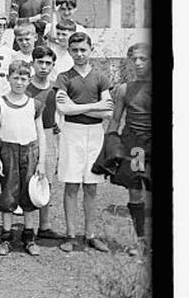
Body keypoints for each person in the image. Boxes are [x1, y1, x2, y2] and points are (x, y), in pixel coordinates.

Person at [54, 32, 112, 253]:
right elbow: (63, 109)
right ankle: (70, 234)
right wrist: (93, 106)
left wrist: (78, 107)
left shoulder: (100, 77)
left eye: (83, 50)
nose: (79, 54)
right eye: (75, 50)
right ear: (69, 51)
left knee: (91, 185)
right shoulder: (64, 77)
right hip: (72, 132)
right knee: (71, 184)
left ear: (91, 50)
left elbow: (107, 112)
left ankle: (90, 234)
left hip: (95, 134)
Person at [0, 60, 48, 256]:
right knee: (8, 193)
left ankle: (29, 237)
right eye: (15, 78)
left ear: (29, 80)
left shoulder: (35, 104)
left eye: (24, 78)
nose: (19, 82)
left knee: (28, 194)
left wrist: (41, 161)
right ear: (8, 78)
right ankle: (6, 237)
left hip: (29, 151)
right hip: (8, 152)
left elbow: (41, 134)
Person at [108, 43, 151, 255]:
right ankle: (141, 241)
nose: (139, 63)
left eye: (144, 58)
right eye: (135, 59)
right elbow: (115, 120)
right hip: (136, 148)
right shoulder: (124, 89)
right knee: (136, 191)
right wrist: (109, 146)